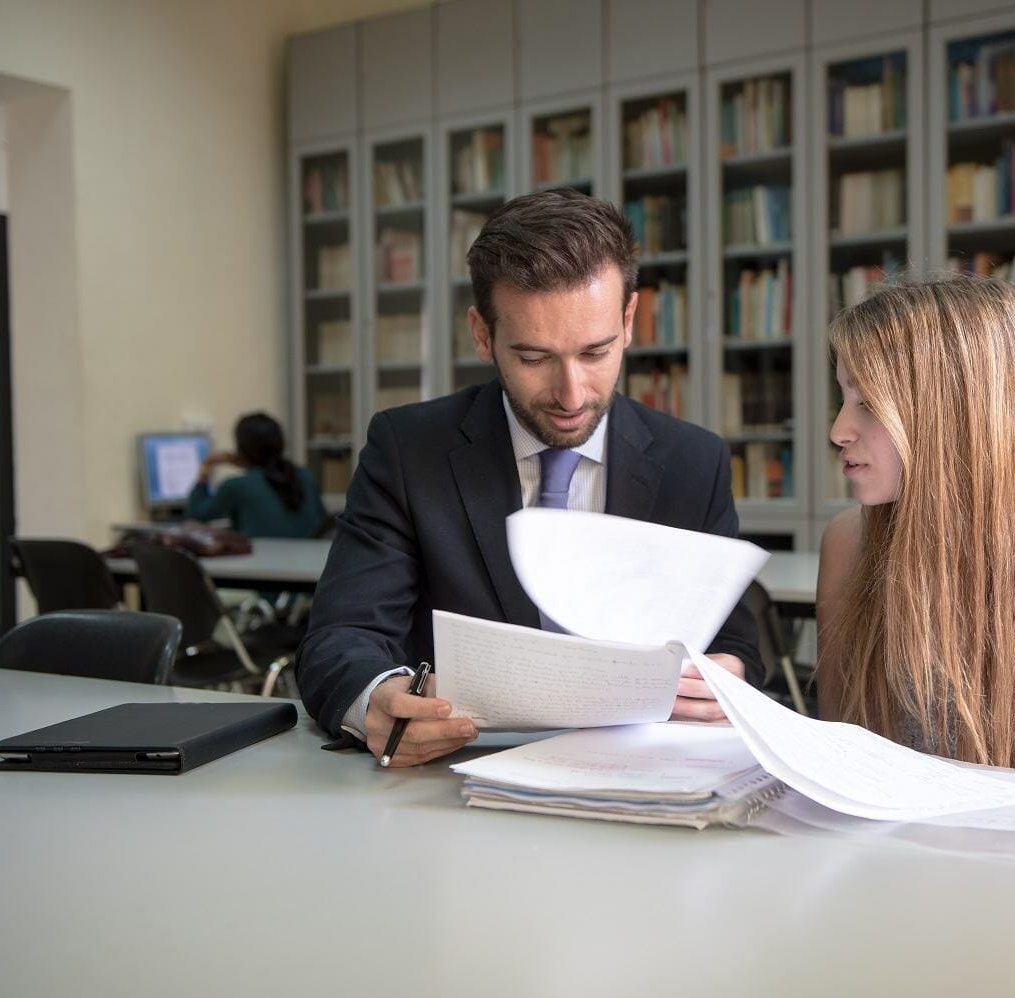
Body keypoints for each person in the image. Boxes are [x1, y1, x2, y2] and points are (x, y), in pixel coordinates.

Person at [297, 188, 760, 766]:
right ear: (483, 334)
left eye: (596, 353)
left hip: (642, 779)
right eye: (535, 357)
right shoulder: (408, 450)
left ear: (629, 319)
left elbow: (734, 640)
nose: (572, 394)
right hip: (461, 781)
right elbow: (341, 637)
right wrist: (377, 700)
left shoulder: (695, 461)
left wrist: (726, 675)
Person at [816, 273, 1015, 776]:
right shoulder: (847, 542)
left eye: (870, 405)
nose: (838, 431)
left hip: (1010, 851)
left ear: (954, 414)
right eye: (842, 399)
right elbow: (840, 760)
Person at [187, 413, 324, 539]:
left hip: (258, 564)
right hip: (310, 563)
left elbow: (196, 516)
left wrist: (206, 466)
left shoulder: (236, 486)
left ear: (241, 449)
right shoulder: (305, 475)